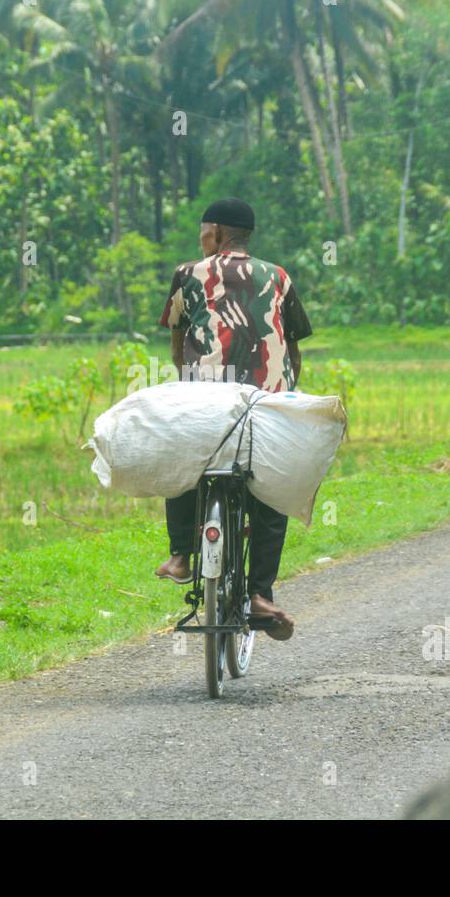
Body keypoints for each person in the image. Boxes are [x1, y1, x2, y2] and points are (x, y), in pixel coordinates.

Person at [154, 197, 312, 641]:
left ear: (218, 232)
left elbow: (177, 340)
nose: (201, 237)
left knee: (182, 464)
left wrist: (187, 382)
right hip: (265, 406)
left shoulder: (189, 273)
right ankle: (261, 593)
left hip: (206, 403)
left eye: (204, 229)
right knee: (273, 489)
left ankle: (182, 555)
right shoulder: (278, 277)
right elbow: (294, 347)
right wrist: (286, 391)